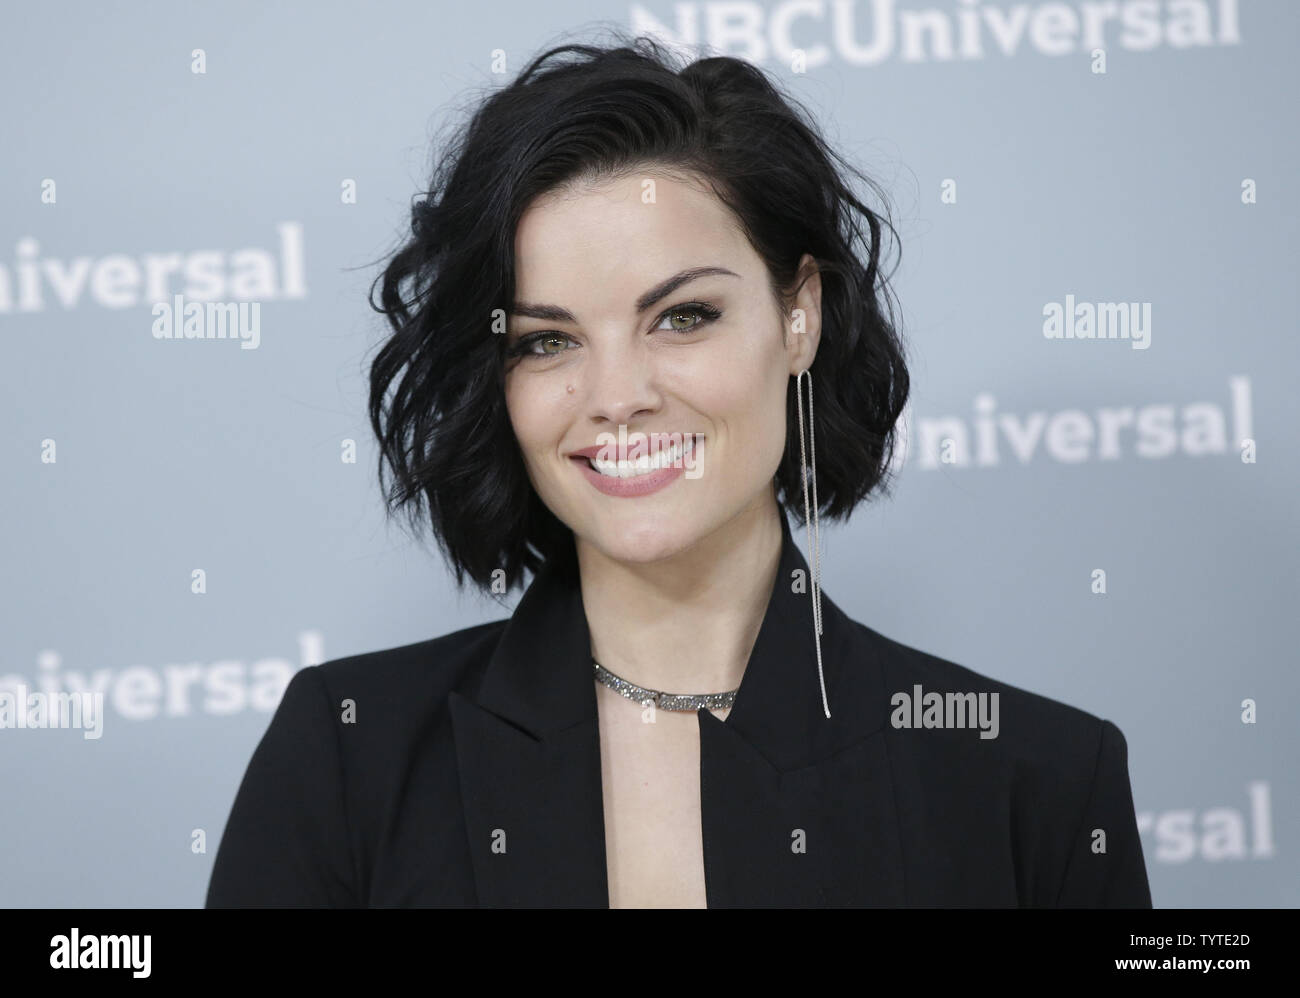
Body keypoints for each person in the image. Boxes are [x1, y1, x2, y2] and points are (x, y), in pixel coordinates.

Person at [206, 32, 1152, 908]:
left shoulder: (1037, 784)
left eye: (682, 317)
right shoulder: (347, 757)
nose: (615, 395)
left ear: (800, 315)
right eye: (546, 341)